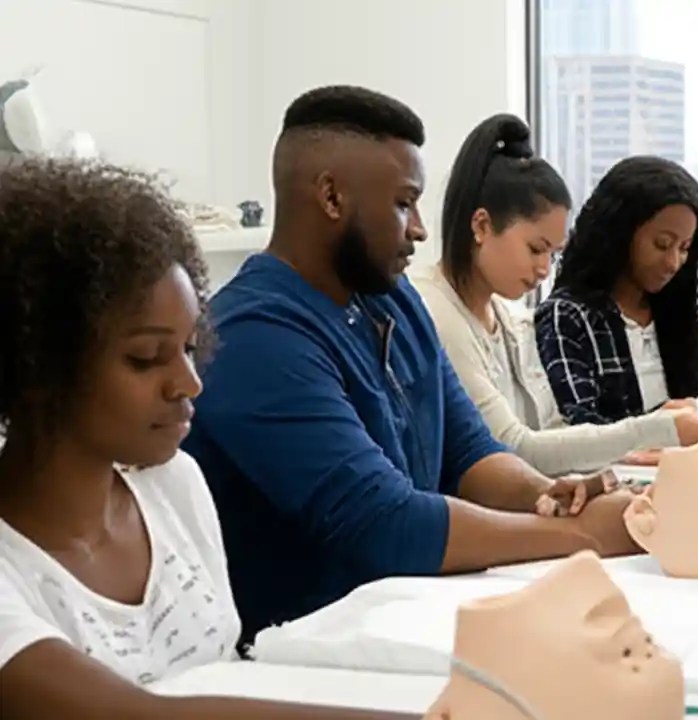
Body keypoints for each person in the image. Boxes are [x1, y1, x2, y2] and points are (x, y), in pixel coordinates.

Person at [181, 86, 638, 643]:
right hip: (308, 653)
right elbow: (383, 524)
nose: (420, 228)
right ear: (331, 196)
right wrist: (579, 537)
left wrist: (549, 495)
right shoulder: (253, 336)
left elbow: (468, 453)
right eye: (403, 203)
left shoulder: (392, 300)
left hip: (411, 615)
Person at [0, 159, 418, 719]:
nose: (189, 382)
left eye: (190, 348)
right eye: (146, 358)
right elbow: (140, 714)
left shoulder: (175, 486)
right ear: (38, 365)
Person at [420, 114, 698, 476]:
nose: (545, 269)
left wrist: (638, 448)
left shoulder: (509, 318)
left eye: (553, 253)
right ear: (482, 225)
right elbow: (514, 448)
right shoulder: (436, 313)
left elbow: (553, 430)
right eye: (536, 249)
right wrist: (661, 429)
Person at [536, 155, 698, 428]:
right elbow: (580, 426)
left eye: (684, 248)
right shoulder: (568, 317)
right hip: (624, 470)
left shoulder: (672, 315)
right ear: (620, 232)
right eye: (662, 244)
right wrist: (666, 423)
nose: (673, 262)